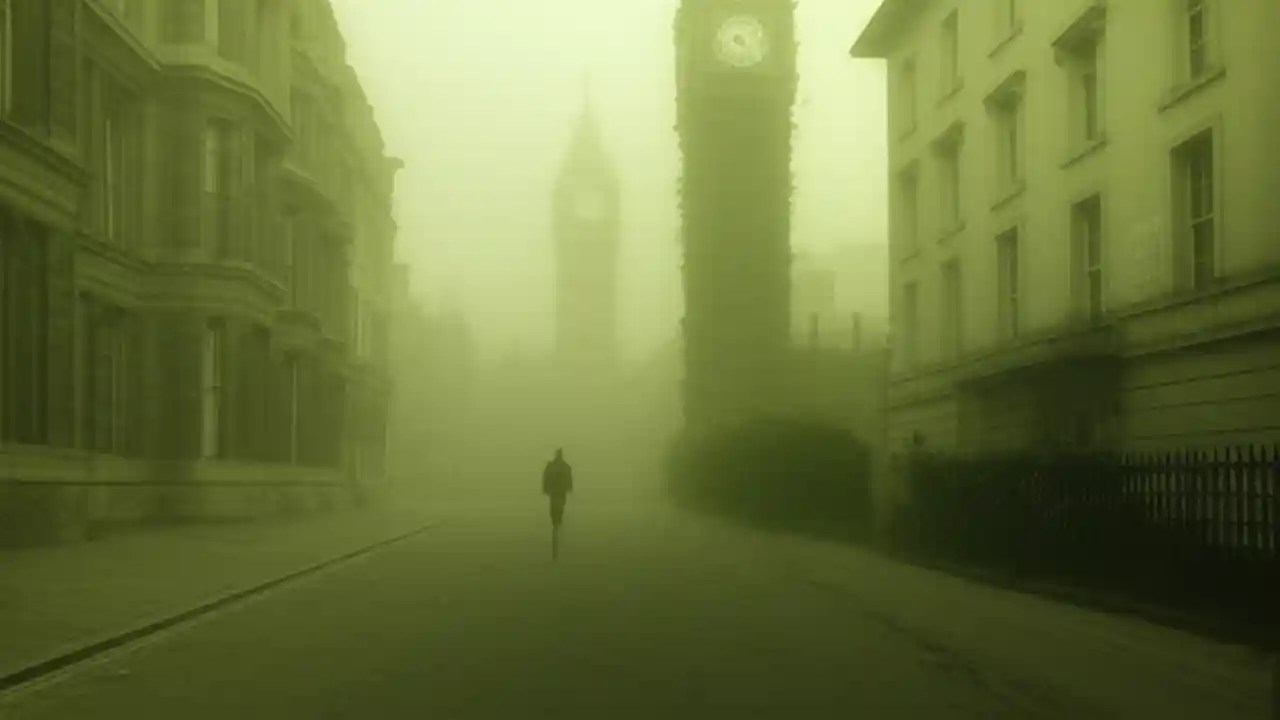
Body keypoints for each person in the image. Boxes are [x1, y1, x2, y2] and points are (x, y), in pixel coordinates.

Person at [542, 448, 574, 531]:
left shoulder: (564, 466)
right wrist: (545, 488)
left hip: (559, 491)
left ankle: (557, 521)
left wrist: (569, 487)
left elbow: (568, 477)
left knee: (560, 506)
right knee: (555, 506)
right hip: (555, 491)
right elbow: (546, 476)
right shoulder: (552, 465)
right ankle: (555, 522)